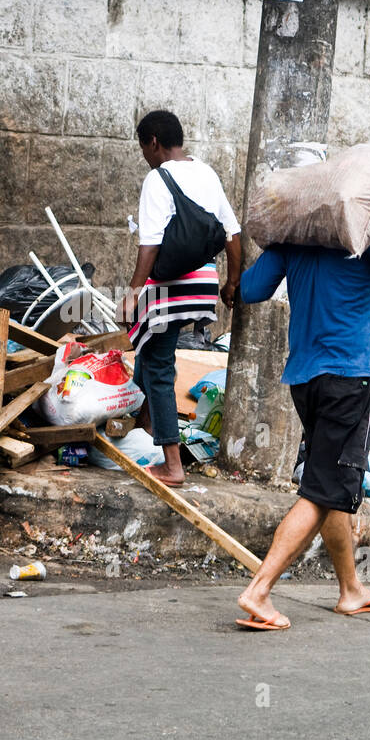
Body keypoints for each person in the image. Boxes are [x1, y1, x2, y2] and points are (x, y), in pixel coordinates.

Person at [234, 154, 370, 630]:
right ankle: (259, 589)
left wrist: (266, 248)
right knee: (320, 491)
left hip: (306, 382)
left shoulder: (295, 237)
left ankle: (350, 589)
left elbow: (250, 290)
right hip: (350, 381)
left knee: (330, 481)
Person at [118, 110, 242, 487]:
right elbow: (232, 234)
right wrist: (231, 283)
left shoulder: (158, 179)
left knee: (157, 366)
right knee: (151, 350)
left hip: (170, 287)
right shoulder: (206, 172)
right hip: (204, 282)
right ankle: (141, 426)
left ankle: (172, 465)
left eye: (143, 148)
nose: (145, 156)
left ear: (153, 142)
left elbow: (150, 243)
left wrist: (132, 292)